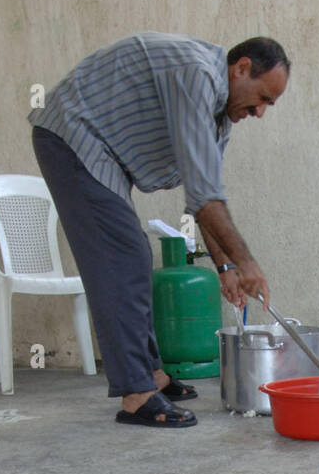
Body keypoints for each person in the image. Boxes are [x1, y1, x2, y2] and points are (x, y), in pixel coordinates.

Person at [29, 32, 290, 427]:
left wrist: (225, 268)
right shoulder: (196, 76)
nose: (260, 112)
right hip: (72, 134)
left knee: (132, 254)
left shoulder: (219, 121)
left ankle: (151, 375)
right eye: (263, 98)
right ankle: (136, 394)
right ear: (242, 69)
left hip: (103, 152)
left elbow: (205, 197)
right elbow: (205, 199)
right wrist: (246, 263)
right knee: (124, 257)